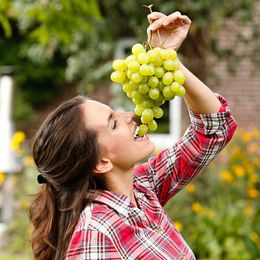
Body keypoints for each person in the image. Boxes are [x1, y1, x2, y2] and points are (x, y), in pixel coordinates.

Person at [29, 11, 237, 260]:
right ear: (101, 162)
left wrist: (168, 59)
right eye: (114, 123)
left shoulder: (142, 189)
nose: (130, 115)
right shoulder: (96, 234)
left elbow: (214, 129)